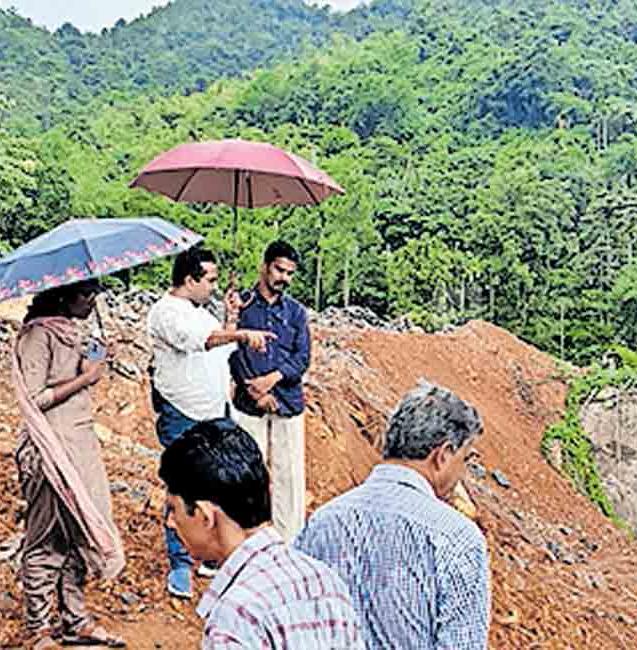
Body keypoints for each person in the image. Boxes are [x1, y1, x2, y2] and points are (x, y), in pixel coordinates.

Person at [295, 380, 491, 649]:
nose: (462, 474)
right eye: (465, 459)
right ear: (443, 455)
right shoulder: (457, 537)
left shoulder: (321, 522)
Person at [159, 421, 364, 649]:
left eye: (173, 509)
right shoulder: (325, 580)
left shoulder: (235, 617)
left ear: (205, 516)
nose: (170, 522)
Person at [146, 246, 274, 598]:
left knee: (214, 485)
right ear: (190, 279)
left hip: (213, 408)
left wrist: (231, 319)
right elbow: (201, 342)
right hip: (182, 409)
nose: (214, 287)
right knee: (181, 486)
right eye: (211, 280)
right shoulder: (167, 313)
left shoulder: (199, 312)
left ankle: (210, 555)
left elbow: (218, 346)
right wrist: (241, 334)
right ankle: (180, 564)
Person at [12, 278, 126, 649]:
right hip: (50, 451)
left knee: (80, 536)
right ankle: (39, 627)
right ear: (63, 297)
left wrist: (90, 363)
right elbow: (34, 398)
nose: (93, 302)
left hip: (78, 448)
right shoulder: (36, 336)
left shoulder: (71, 333)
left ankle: (75, 620)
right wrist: (86, 378)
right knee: (45, 538)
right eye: (86, 294)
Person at [228, 240, 311, 543]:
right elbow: (232, 351)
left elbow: (302, 358)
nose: (283, 278)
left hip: (287, 401)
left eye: (290, 273)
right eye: (279, 269)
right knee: (247, 474)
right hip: (249, 402)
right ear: (264, 266)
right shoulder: (241, 304)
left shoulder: (297, 312)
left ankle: (289, 542)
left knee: (289, 475)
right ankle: (243, 541)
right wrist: (256, 391)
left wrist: (272, 380)